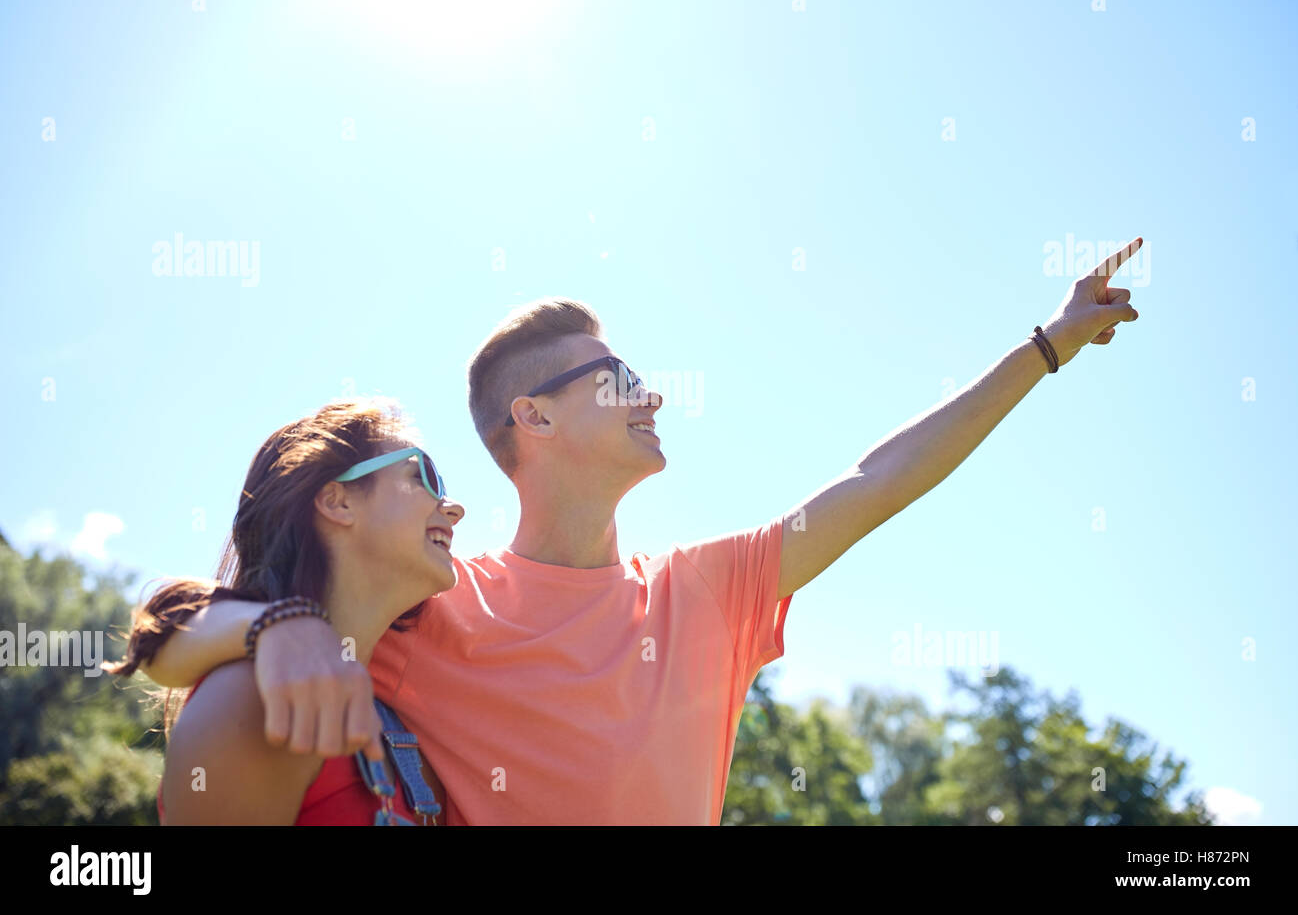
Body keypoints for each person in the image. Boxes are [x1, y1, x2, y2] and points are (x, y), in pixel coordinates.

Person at [132, 242, 1141, 824]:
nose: (650, 394)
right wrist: (286, 625)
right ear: (533, 417)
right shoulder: (432, 604)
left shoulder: (707, 592)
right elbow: (180, 637)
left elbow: (880, 479)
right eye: (618, 379)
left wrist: (1046, 345)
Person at [105, 397, 465, 824]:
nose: (454, 508)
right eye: (423, 475)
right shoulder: (252, 702)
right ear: (338, 501)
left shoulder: (404, 735)